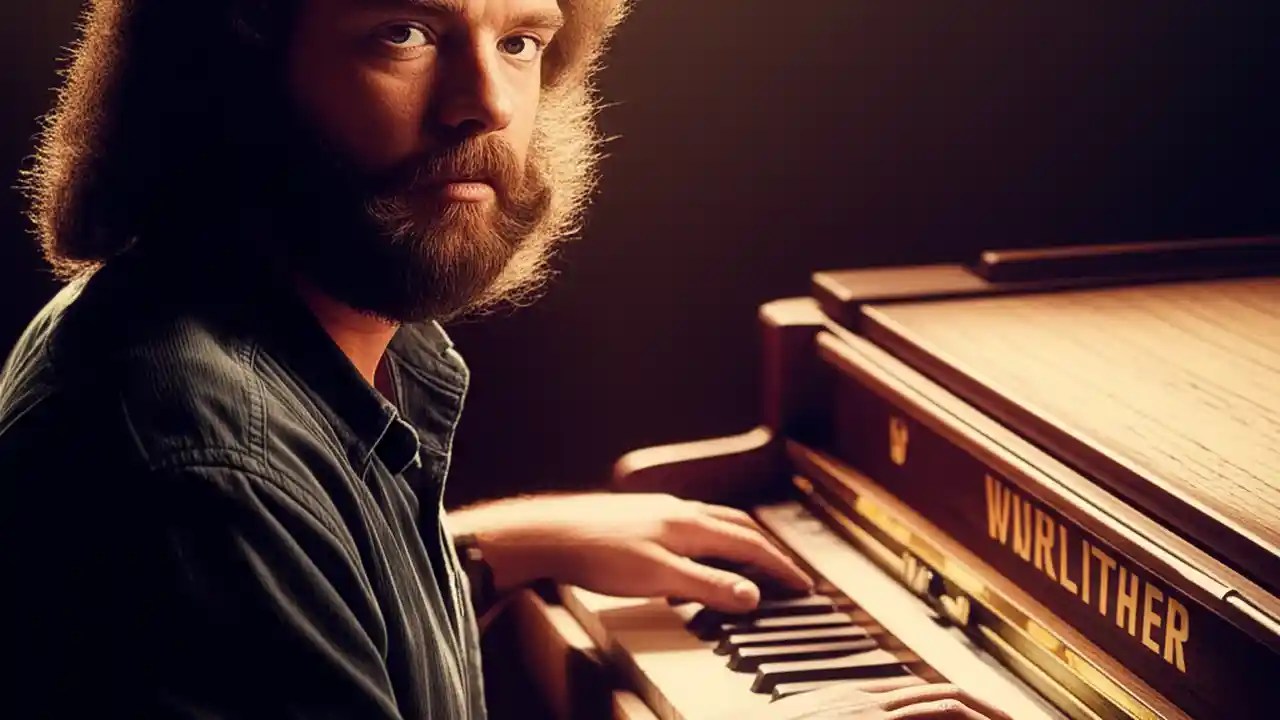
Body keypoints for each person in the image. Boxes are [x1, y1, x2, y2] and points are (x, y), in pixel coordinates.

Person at [0, 0, 1012, 717]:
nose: (483, 102)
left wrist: (486, 548)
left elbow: (275, 628)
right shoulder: (200, 464)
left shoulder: (247, 344)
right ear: (233, 73)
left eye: (520, 39)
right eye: (403, 32)